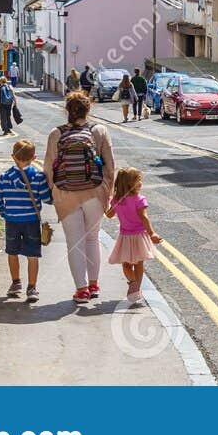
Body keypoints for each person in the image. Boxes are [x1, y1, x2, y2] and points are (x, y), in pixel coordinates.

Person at [45, 90, 115, 305]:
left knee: (75, 243)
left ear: (67, 110)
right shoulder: (100, 130)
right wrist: (108, 193)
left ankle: (81, 290)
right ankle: (94, 285)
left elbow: (49, 168)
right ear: (88, 108)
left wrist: (54, 192)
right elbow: (110, 166)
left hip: (66, 194)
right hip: (95, 191)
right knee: (92, 239)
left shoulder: (56, 134)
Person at [0, 138, 52, 303]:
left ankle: (16, 283)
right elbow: (47, 198)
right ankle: (31, 288)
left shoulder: (5, 177)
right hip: (31, 221)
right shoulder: (38, 177)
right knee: (33, 255)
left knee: (12, 252)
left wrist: (6, 214)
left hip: (12, 222)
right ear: (33, 157)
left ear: (13, 156)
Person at [104, 166, 161, 307]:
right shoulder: (139, 199)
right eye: (139, 180)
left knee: (126, 264)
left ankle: (133, 283)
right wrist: (152, 233)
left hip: (125, 237)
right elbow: (144, 218)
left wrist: (106, 203)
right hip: (140, 236)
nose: (141, 182)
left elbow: (109, 215)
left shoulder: (117, 200)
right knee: (139, 263)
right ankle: (136, 288)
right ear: (131, 184)